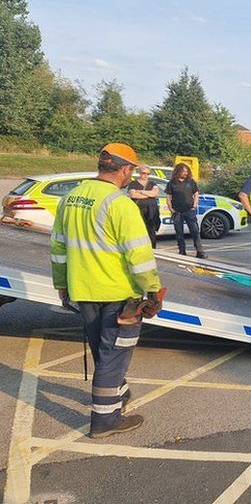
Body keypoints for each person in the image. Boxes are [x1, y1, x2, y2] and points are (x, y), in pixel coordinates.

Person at [50, 143, 163, 438]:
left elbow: (58, 249)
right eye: (132, 171)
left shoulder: (70, 198)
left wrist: (61, 284)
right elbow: (138, 255)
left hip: (82, 289)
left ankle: (118, 393)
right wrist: (152, 291)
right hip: (117, 294)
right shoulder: (119, 203)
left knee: (104, 350)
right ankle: (104, 420)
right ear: (125, 170)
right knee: (114, 353)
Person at [165, 163, 206, 259]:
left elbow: (196, 194)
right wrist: (171, 209)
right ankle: (182, 251)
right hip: (177, 212)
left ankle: (200, 252)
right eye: (183, 171)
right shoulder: (172, 183)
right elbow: (168, 196)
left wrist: (194, 206)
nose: (185, 173)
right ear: (178, 171)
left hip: (189, 211)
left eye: (187, 171)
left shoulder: (191, 182)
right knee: (179, 233)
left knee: (195, 231)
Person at [127, 165, 161, 248]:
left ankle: (153, 248)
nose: (146, 175)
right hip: (138, 210)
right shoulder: (133, 183)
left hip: (151, 210)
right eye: (144, 173)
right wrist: (149, 194)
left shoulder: (152, 183)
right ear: (139, 173)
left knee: (151, 231)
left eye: (148, 174)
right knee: (139, 230)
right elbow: (133, 195)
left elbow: (155, 193)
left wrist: (141, 191)